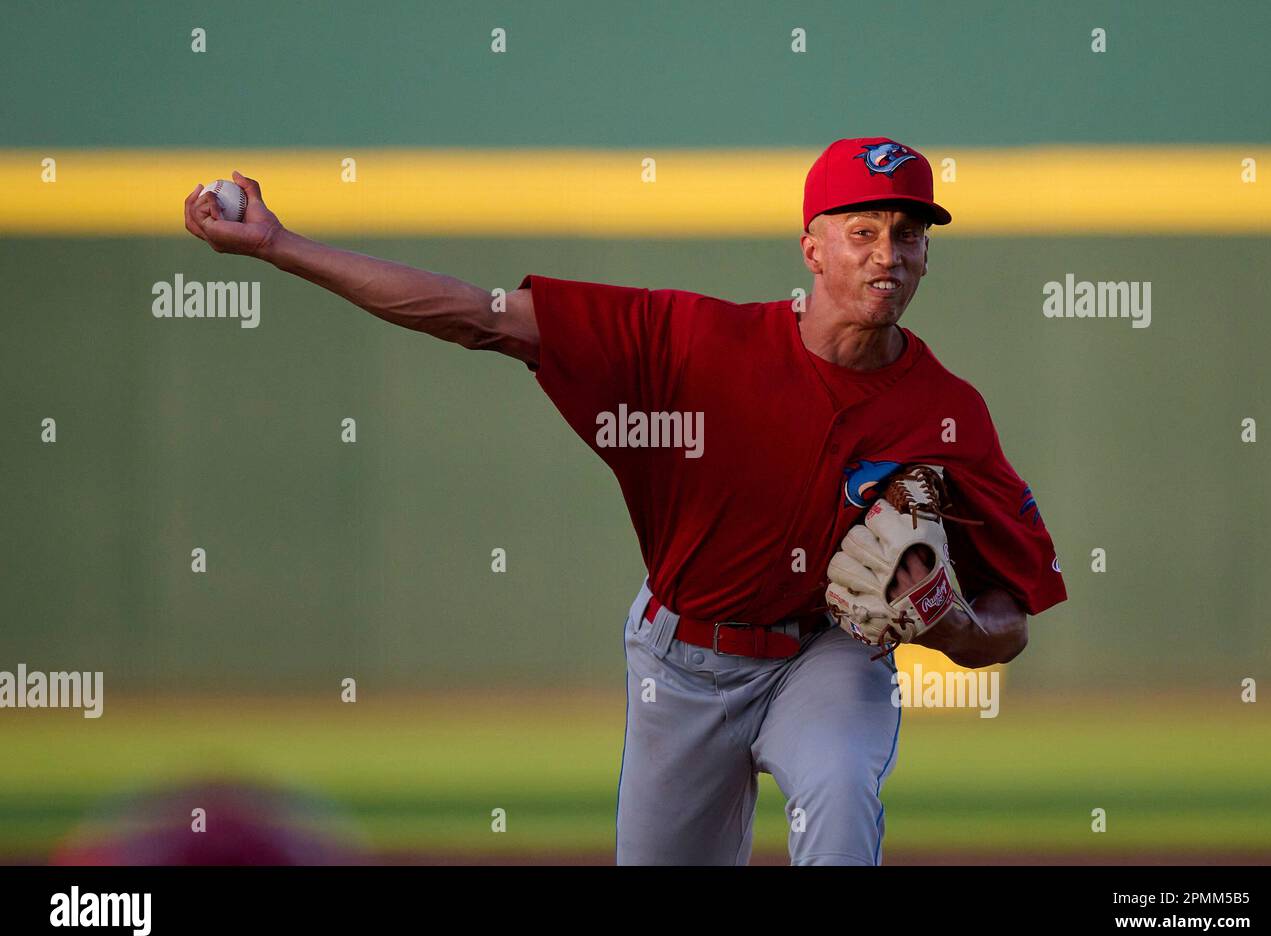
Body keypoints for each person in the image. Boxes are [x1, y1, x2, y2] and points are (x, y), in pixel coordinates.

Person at [184, 137, 1067, 865]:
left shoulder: (950, 414)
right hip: (682, 662)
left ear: (927, 253)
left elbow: (1010, 619)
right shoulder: (689, 342)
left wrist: (953, 627)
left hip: (825, 658)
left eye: (908, 233)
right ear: (813, 247)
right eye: (863, 228)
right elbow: (477, 314)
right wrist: (280, 247)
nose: (888, 252)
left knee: (839, 798)